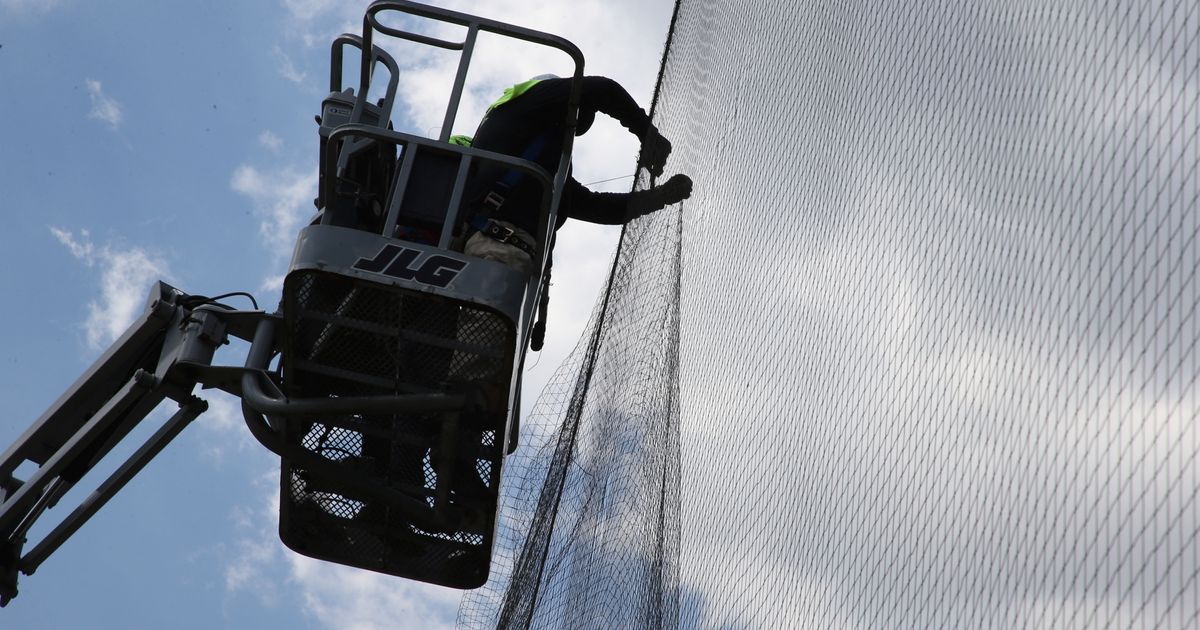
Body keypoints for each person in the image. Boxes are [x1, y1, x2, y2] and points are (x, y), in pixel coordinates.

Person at [458, 74, 694, 273]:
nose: (574, 125)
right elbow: (601, 90)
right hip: (497, 248)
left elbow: (593, 206)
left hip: (483, 247)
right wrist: (647, 135)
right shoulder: (534, 99)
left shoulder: (530, 168)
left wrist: (660, 197)